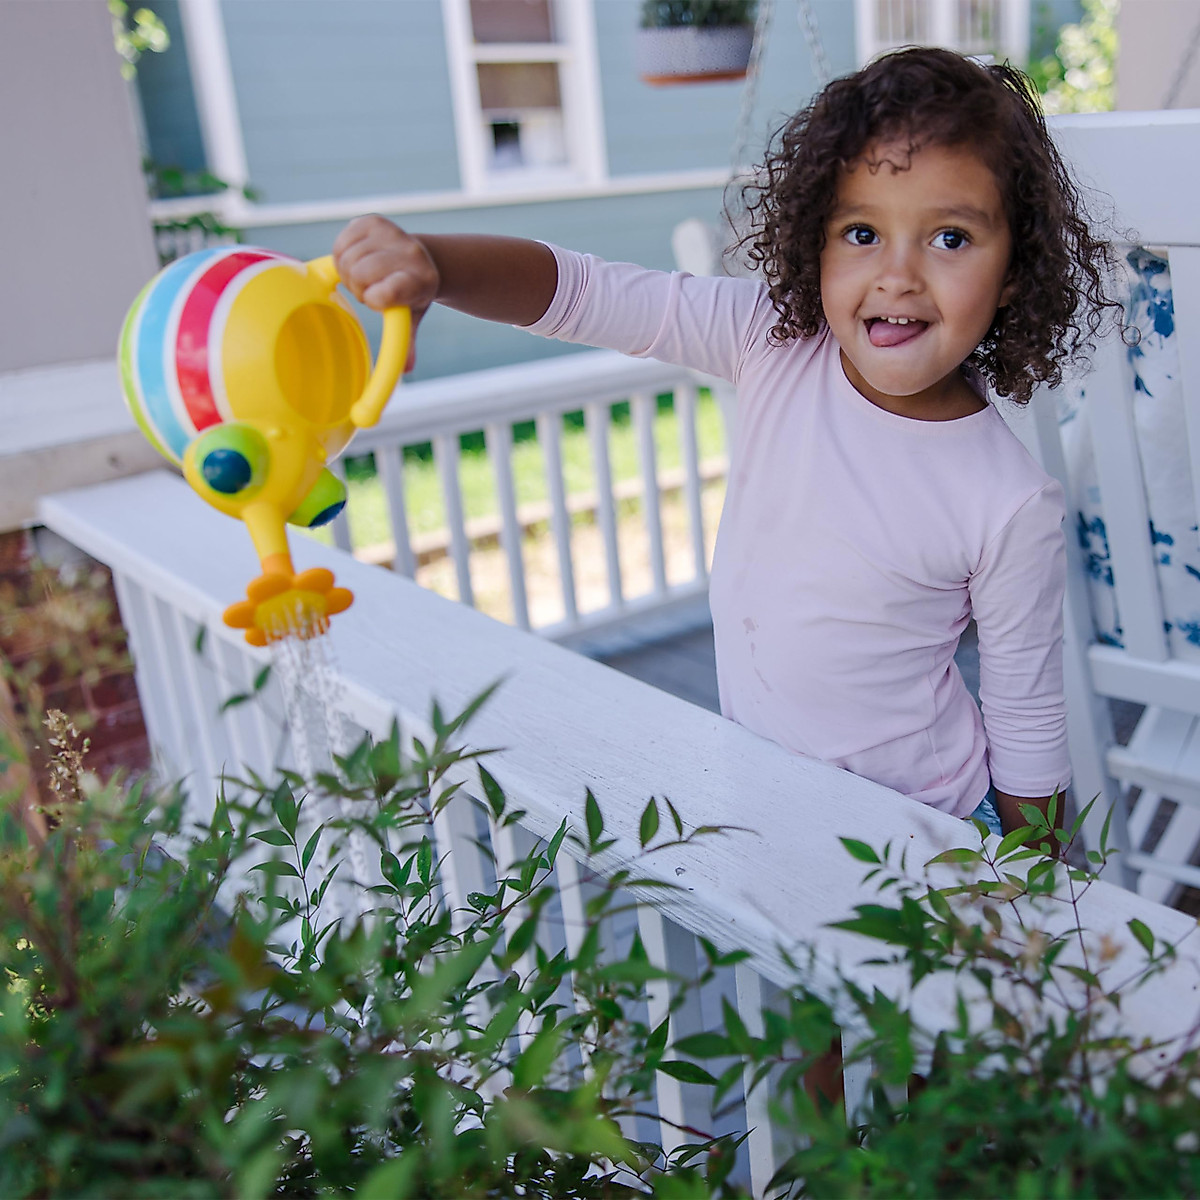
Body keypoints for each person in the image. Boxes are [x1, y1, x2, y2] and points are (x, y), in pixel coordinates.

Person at [331, 48, 1118, 838]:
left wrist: (1039, 900)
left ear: (1015, 270)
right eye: (861, 231)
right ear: (816, 238)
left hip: (926, 834)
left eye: (949, 238)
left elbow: (1027, 718)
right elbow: (583, 292)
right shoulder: (770, 341)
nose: (898, 275)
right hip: (768, 801)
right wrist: (433, 263)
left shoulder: (1008, 498)